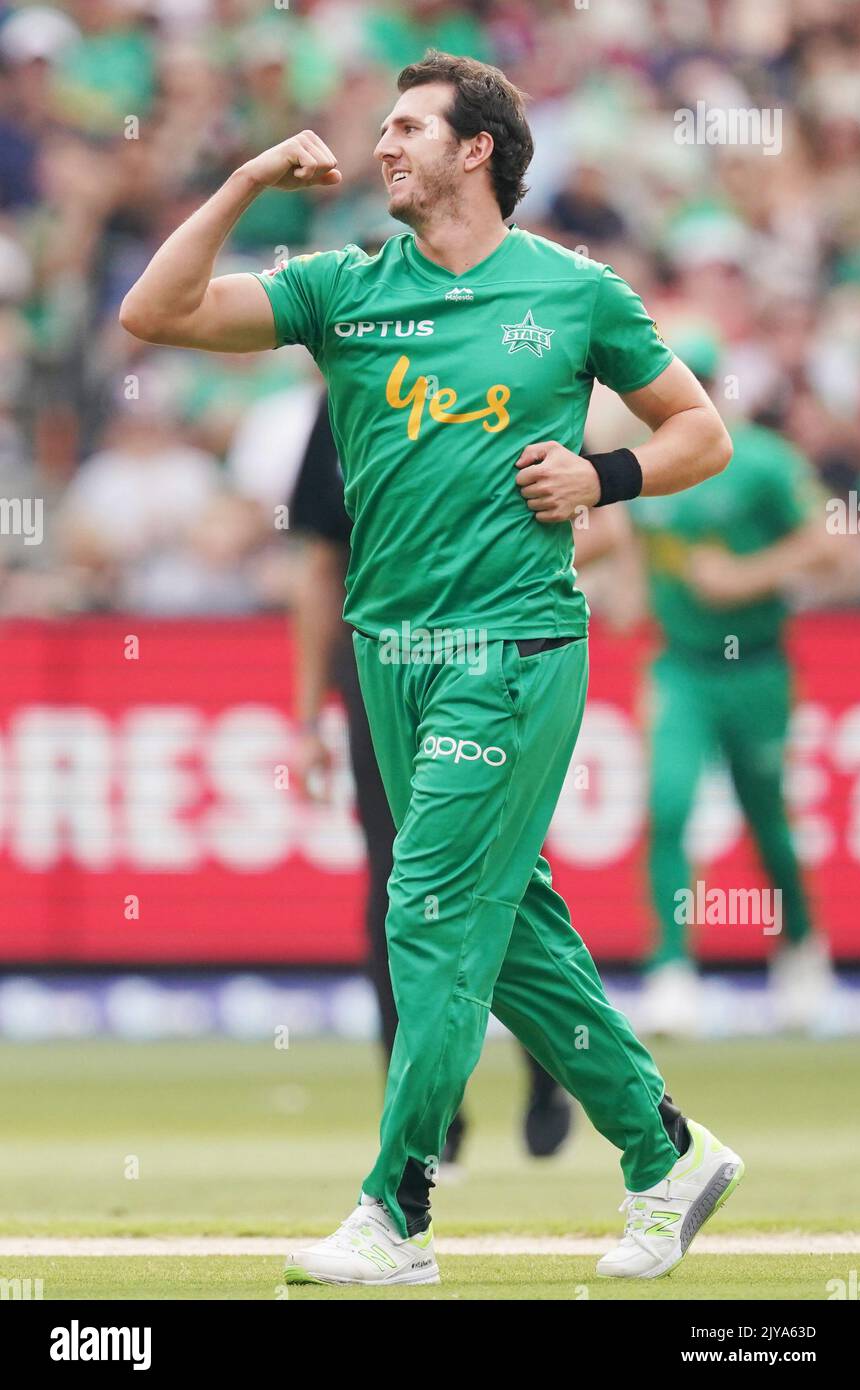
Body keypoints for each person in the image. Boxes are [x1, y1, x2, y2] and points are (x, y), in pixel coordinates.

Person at [120, 49, 741, 1286]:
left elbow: (699, 432)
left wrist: (600, 477)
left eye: (410, 127)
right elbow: (156, 311)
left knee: (425, 910)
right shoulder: (345, 288)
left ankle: (395, 1212)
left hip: (510, 648)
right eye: (382, 126)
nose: (382, 144)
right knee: (504, 935)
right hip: (387, 658)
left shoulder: (572, 293)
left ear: (477, 152)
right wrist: (249, 175)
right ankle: (664, 1153)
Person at [289, 385, 575, 1163]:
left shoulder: (495, 380)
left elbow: (578, 524)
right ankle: (425, 1114)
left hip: (492, 654)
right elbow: (322, 559)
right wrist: (309, 711)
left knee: (499, 876)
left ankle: (553, 1067)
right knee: (398, 883)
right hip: (382, 662)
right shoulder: (345, 404)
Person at [578, 336, 837, 1035]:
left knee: (767, 816)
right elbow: (638, 558)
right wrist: (625, 601)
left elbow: (829, 542)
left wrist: (745, 579)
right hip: (681, 665)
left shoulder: (757, 459)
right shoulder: (642, 465)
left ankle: (802, 947)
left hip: (756, 663)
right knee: (666, 804)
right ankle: (670, 969)